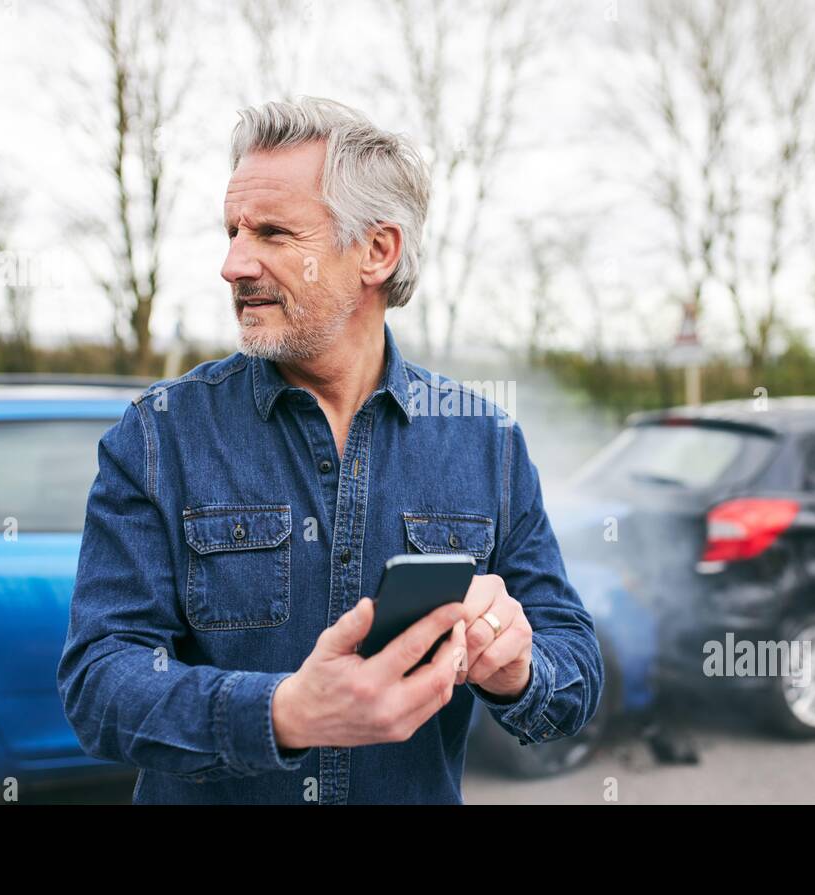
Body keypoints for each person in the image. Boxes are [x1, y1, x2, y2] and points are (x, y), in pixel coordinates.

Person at [57, 97, 603, 804]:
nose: (232, 263)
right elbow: (99, 681)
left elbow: (576, 668)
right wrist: (283, 712)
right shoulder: (159, 435)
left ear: (377, 250)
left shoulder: (485, 442)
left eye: (273, 233)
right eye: (232, 231)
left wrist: (520, 667)